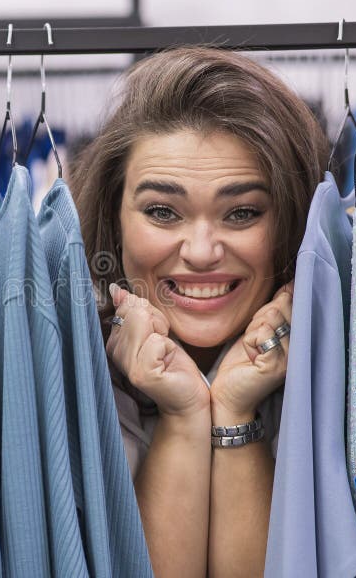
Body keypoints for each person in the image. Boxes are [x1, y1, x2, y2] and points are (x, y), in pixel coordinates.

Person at [69, 46, 328, 577]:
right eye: (163, 211)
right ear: (114, 221)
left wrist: (233, 407)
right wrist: (184, 416)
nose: (202, 250)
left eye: (242, 212)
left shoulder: (346, 377)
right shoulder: (65, 385)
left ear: (289, 222)